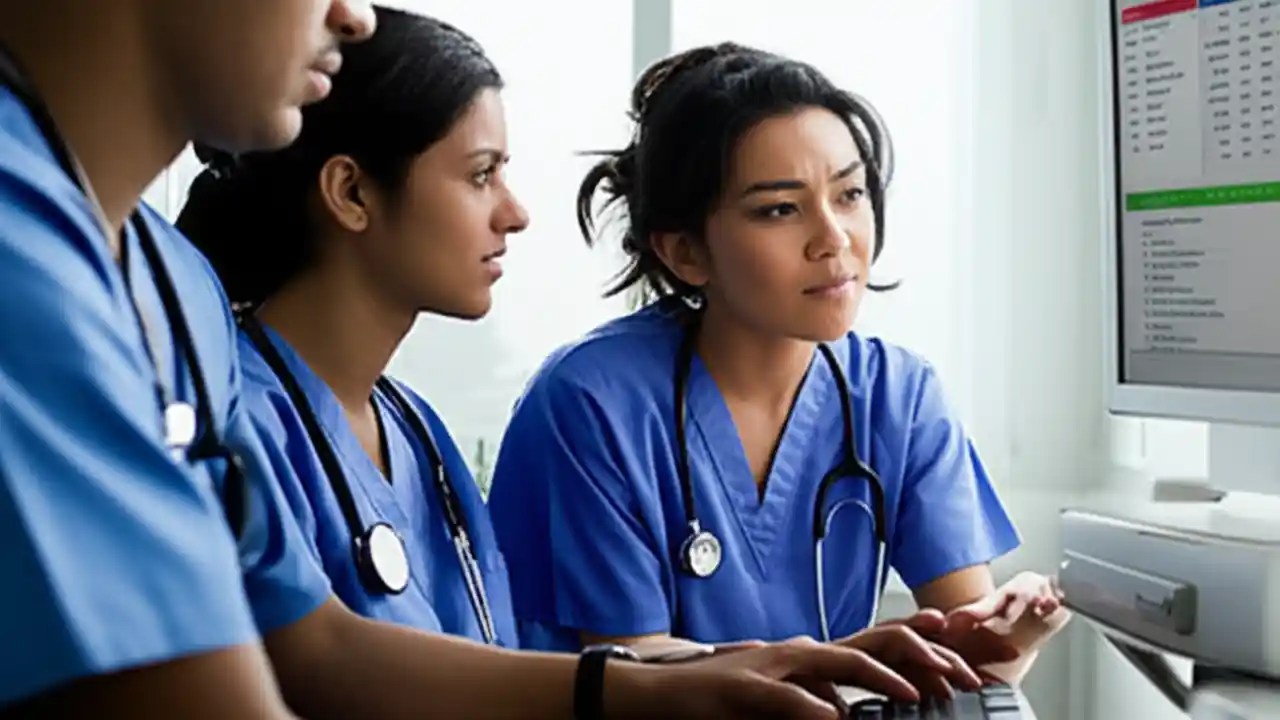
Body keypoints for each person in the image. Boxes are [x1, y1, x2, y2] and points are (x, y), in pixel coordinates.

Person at [0, 2, 989, 717]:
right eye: (480, 175)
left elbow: (307, 643)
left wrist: (744, 674)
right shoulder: (30, 258)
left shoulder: (175, 288)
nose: (348, 18)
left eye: (849, 193)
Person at [487, 42, 1071, 684]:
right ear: (686, 252)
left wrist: (1016, 628)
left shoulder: (898, 397)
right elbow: (632, 676)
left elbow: (969, 660)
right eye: (779, 209)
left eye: (849, 194)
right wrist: (846, 662)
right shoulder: (592, 401)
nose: (833, 237)